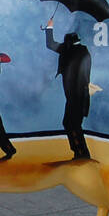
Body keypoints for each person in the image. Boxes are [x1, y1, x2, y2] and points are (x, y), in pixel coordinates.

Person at [45, 18, 92, 160]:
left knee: (71, 123)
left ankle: (81, 153)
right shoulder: (83, 52)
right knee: (72, 123)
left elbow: (51, 44)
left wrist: (49, 28)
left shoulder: (70, 51)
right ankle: (80, 152)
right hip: (79, 95)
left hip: (76, 96)